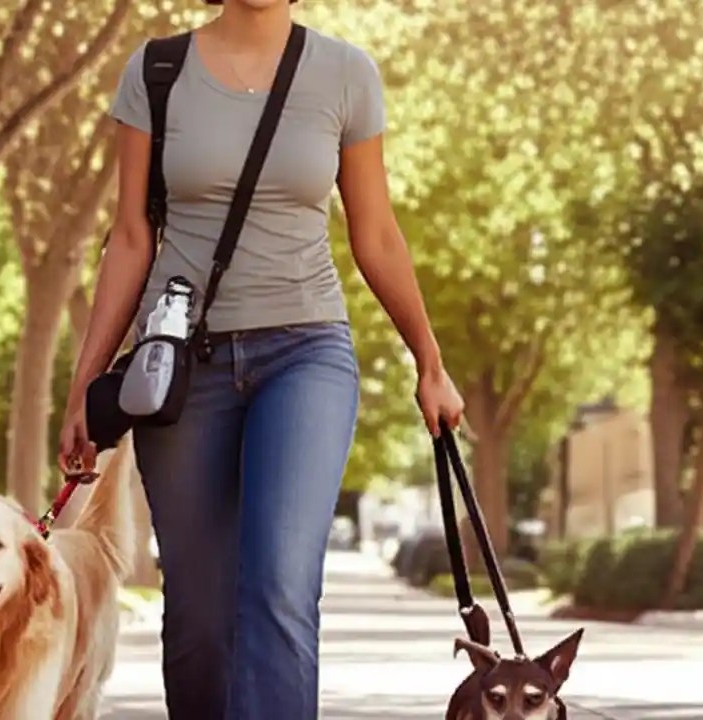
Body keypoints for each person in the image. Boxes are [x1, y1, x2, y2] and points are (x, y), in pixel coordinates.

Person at [58, 0, 465, 717]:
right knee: (199, 616)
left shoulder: (345, 74)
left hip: (305, 353)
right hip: (183, 368)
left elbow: (376, 233)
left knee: (278, 584)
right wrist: (85, 385)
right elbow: (128, 238)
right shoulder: (156, 72)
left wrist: (427, 360)